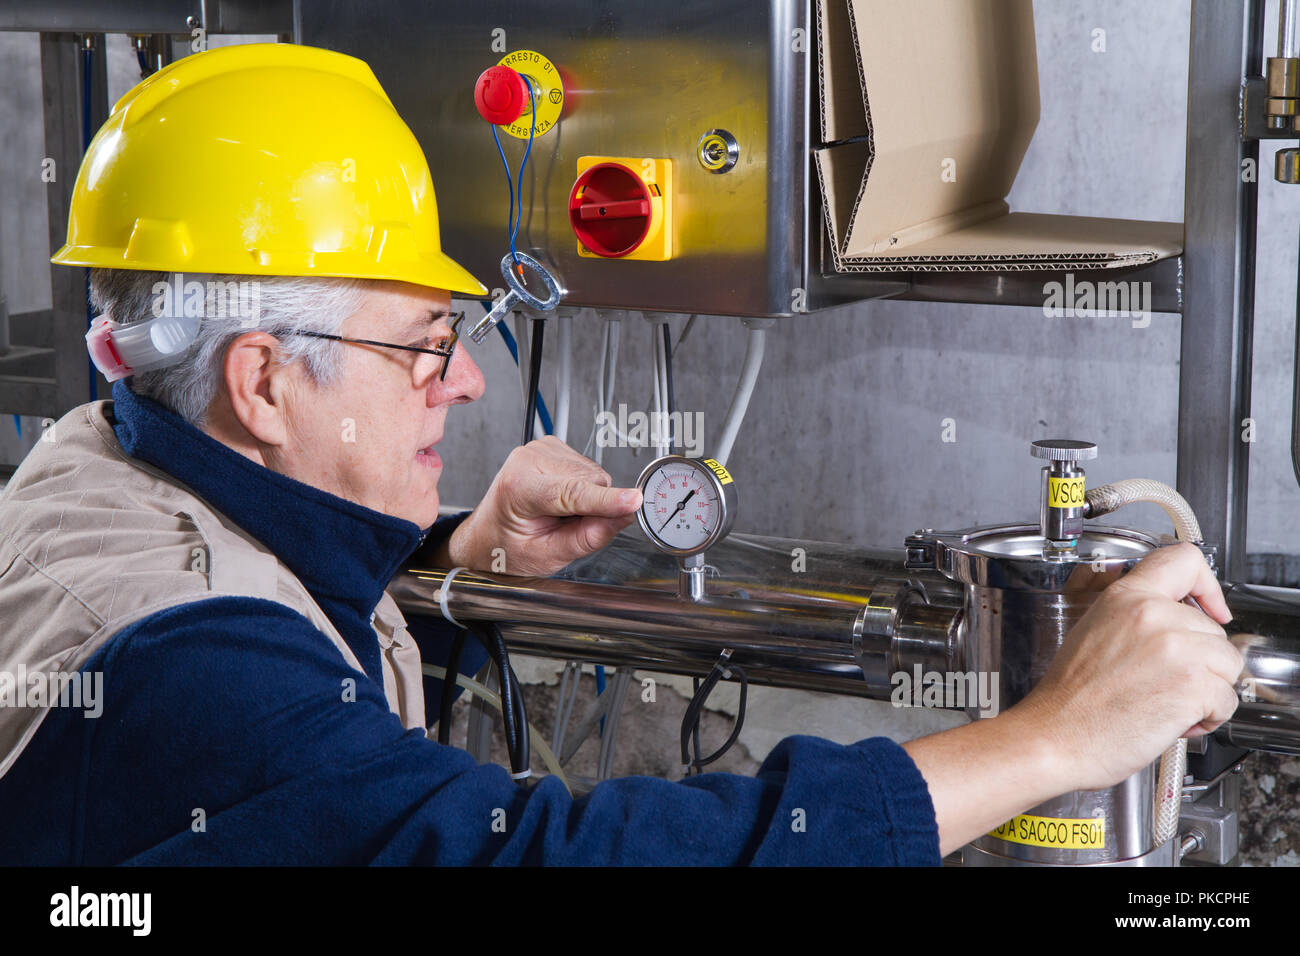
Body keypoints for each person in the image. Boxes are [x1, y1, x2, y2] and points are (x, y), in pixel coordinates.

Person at [0, 43, 1242, 865]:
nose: (470, 378)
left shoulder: (94, 463)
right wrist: (1056, 735)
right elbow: (546, 858)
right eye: (427, 344)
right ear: (263, 382)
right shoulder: (188, 670)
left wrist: (449, 564)